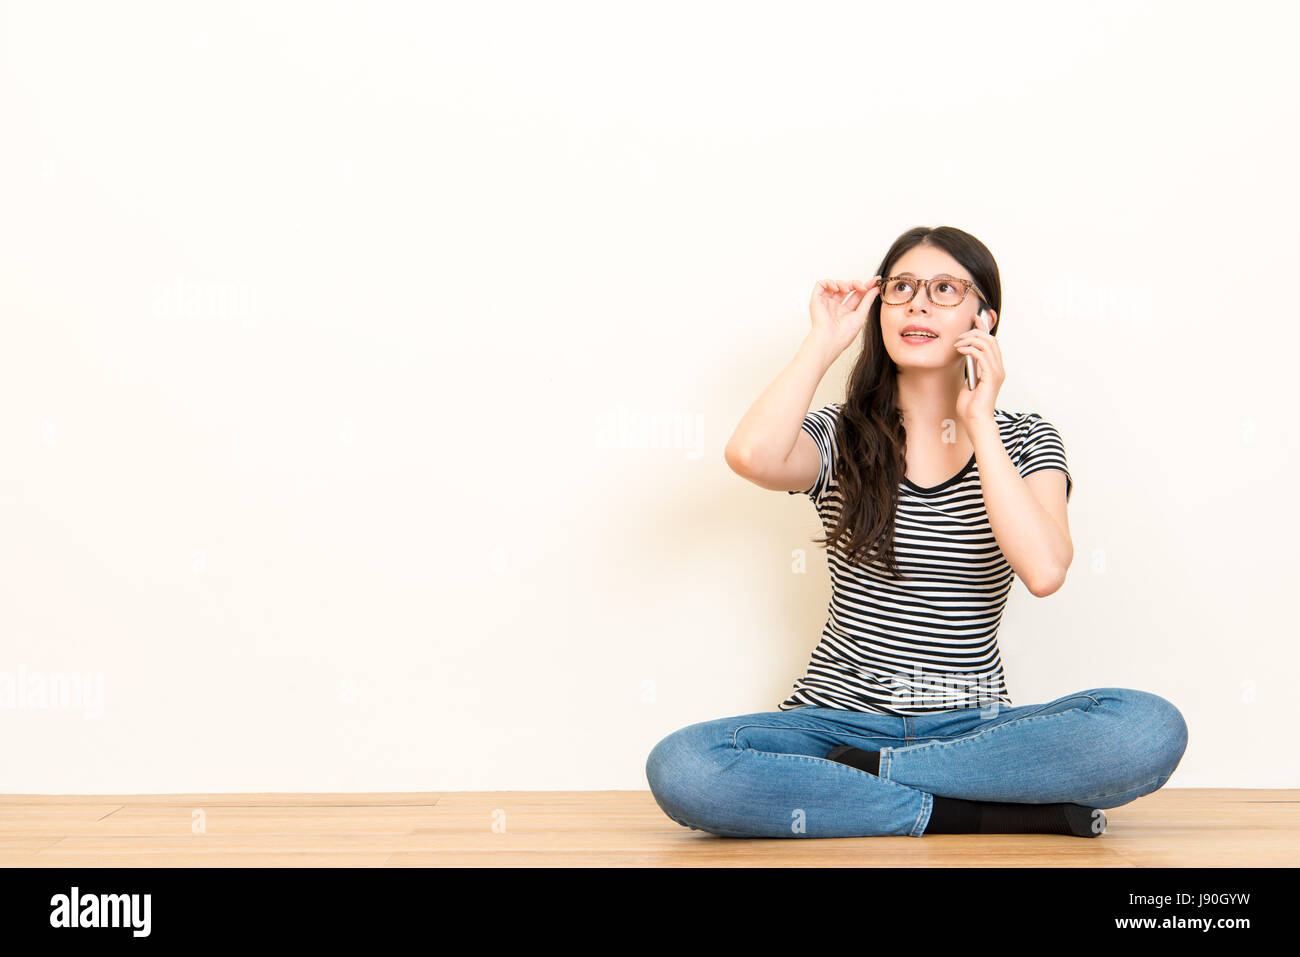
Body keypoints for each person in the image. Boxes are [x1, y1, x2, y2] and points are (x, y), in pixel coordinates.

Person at [645, 226, 1187, 838]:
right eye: (901, 288)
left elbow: (1044, 570)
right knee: (685, 768)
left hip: (973, 727)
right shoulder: (841, 435)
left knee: (1147, 727)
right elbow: (750, 455)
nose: (919, 303)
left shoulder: (1027, 439)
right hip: (833, 723)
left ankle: (877, 778)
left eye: (945, 289)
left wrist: (979, 420)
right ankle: (971, 811)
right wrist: (823, 342)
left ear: (985, 318)